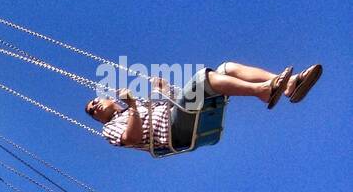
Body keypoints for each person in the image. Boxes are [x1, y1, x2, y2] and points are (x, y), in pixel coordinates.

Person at [85, 62, 323, 152]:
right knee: (203, 78)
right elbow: (131, 137)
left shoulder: (141, 104)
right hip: (173, 132)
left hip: (181, 116)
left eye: (95, 101)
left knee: (227, 68)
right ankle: (264, 91)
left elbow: (183, 101)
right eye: (91, 110)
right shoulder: (110, 128)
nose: (94, 106)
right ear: (98, 119)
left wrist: (167, 90)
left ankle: (288, 84)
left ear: (108, 99)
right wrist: (134, 107)